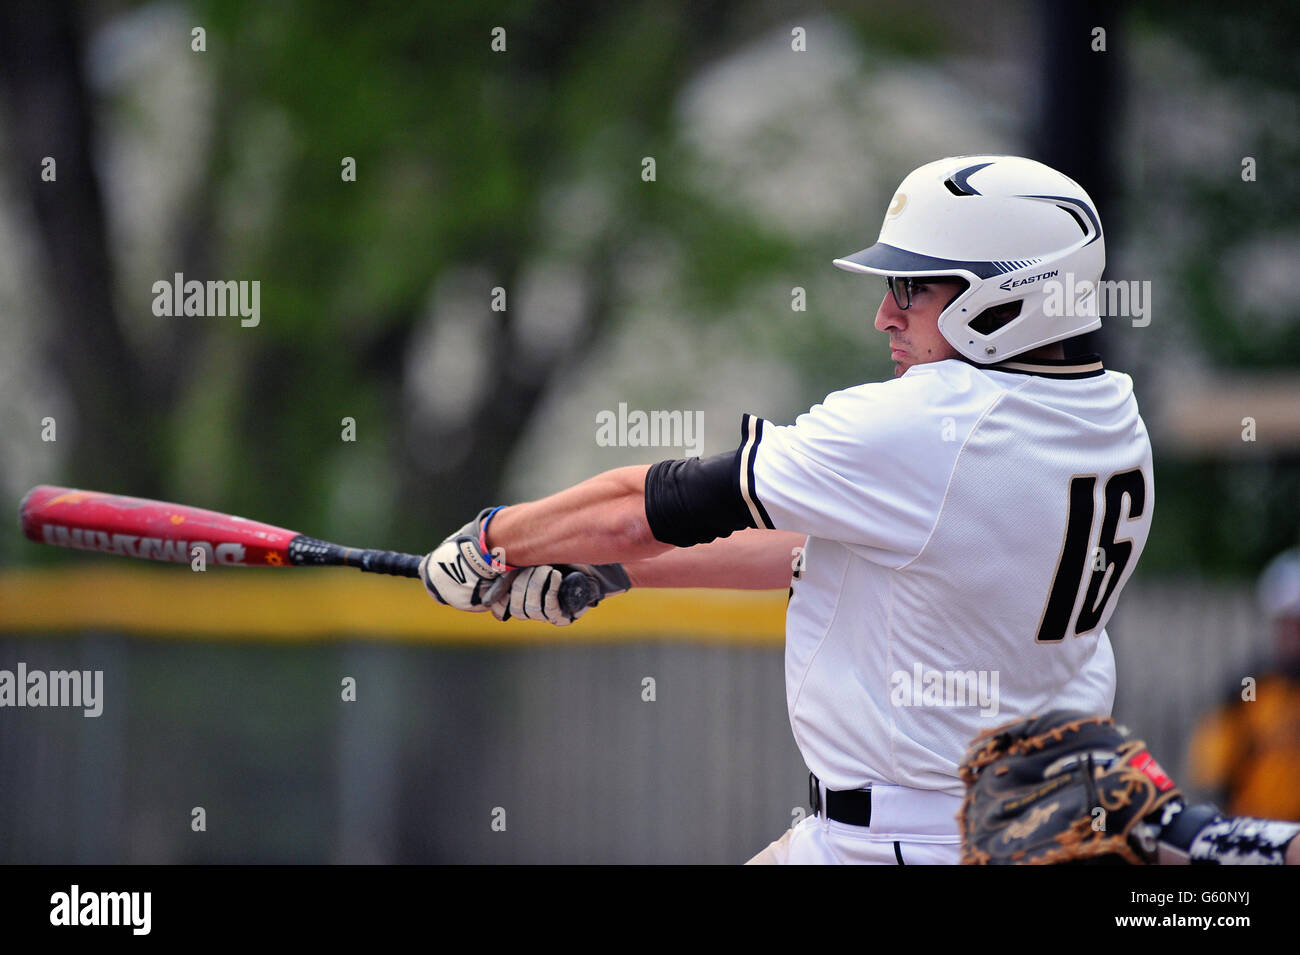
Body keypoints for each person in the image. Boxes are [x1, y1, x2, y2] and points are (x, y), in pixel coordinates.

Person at [419, 155, 1154, 864]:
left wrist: (495, 538)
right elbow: (815, 548)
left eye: (912, 289)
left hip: (914, 836)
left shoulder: (927, 423)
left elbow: (652, 505)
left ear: (1004, 293)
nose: (884, 317)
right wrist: (610, 570)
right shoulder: (1111, 415)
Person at [1187, 548, 1300, 820]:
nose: (1294, 636)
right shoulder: (1247, 690)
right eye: (1288, 625)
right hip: (1257, 838)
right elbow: (1211, 773)